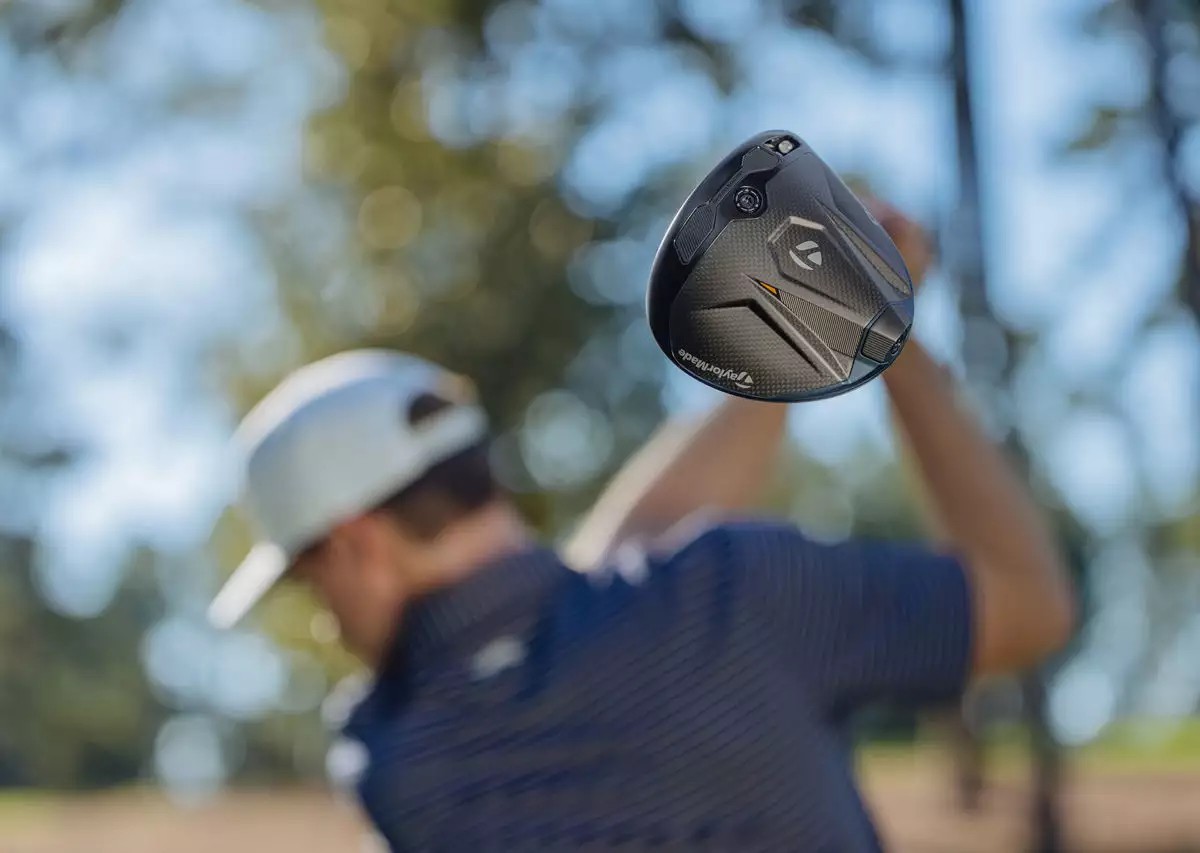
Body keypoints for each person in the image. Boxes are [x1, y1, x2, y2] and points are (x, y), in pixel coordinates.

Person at [209, 205, 1074, 852]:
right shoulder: (739, 598)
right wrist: (886, 331)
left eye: (310, 581)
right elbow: (1030, 602)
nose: (325, 620)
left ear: (358, 542)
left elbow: (598, 596)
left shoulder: (397, 756)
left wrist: (812, 325)